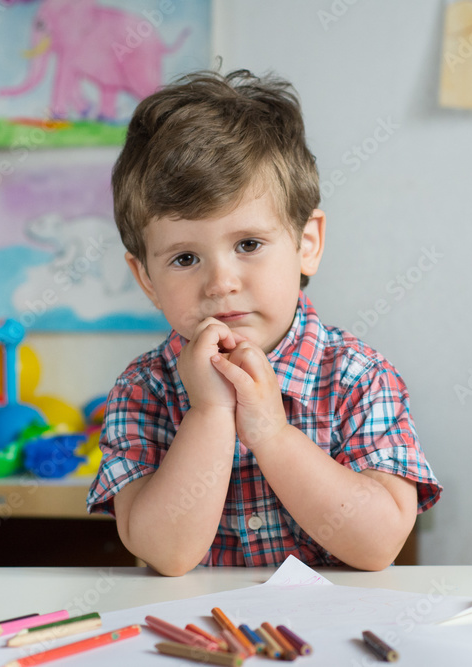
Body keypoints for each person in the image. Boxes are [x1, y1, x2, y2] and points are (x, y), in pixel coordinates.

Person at [87, 69, 440, 576]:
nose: (220, 283)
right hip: (203, 641)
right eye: (185, 258)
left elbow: (379, 543)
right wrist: (209, 414)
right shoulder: (144, 389)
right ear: (145, 276)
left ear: (307, 244)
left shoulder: (359, 377)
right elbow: (163, 554)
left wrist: (272, 433)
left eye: (248, 245)